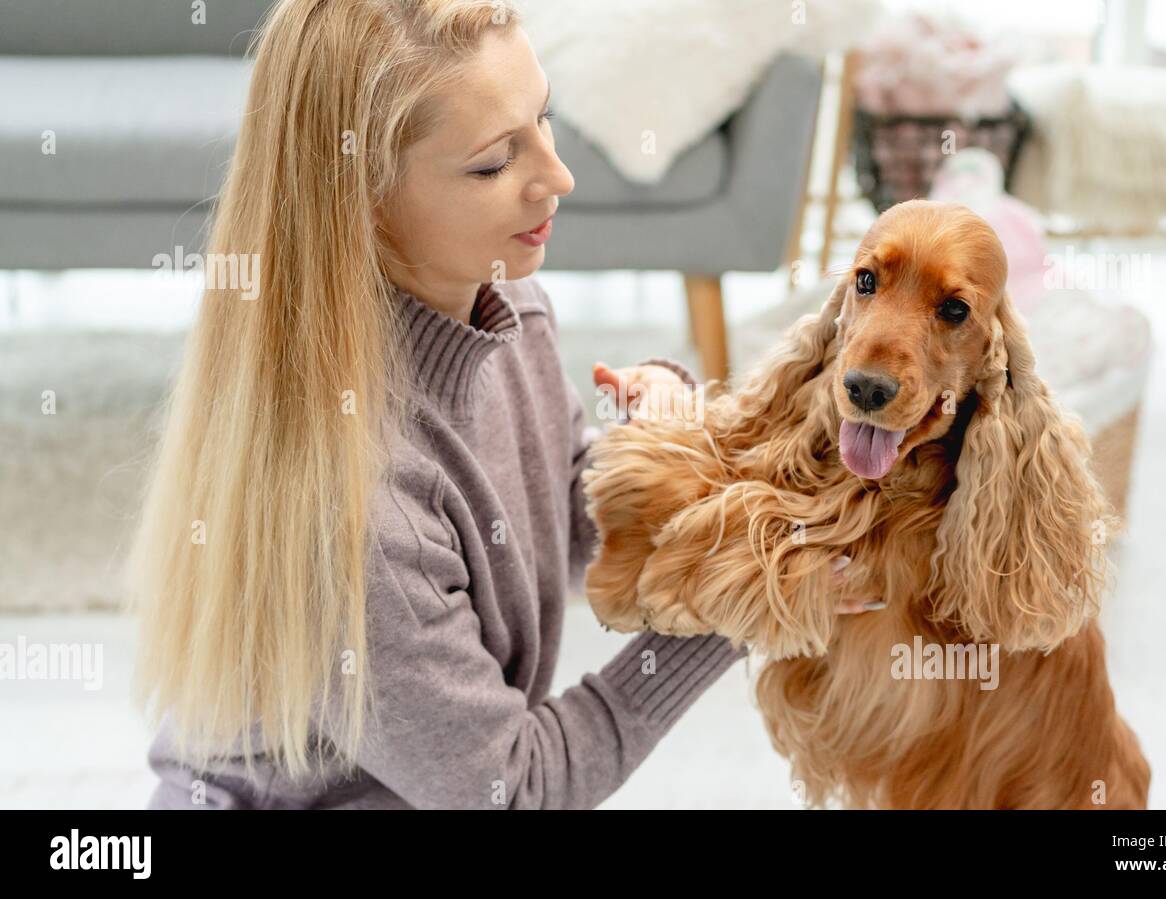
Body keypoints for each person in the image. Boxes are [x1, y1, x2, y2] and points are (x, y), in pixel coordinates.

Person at [130, 0, 874, 810]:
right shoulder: (360, 514)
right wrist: (748, 599)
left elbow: (554, 503)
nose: (558, 177)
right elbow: (513, 787)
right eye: (493, 163)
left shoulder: (502, 294)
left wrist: (656, 455)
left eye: (543, 119)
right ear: (364, 199)